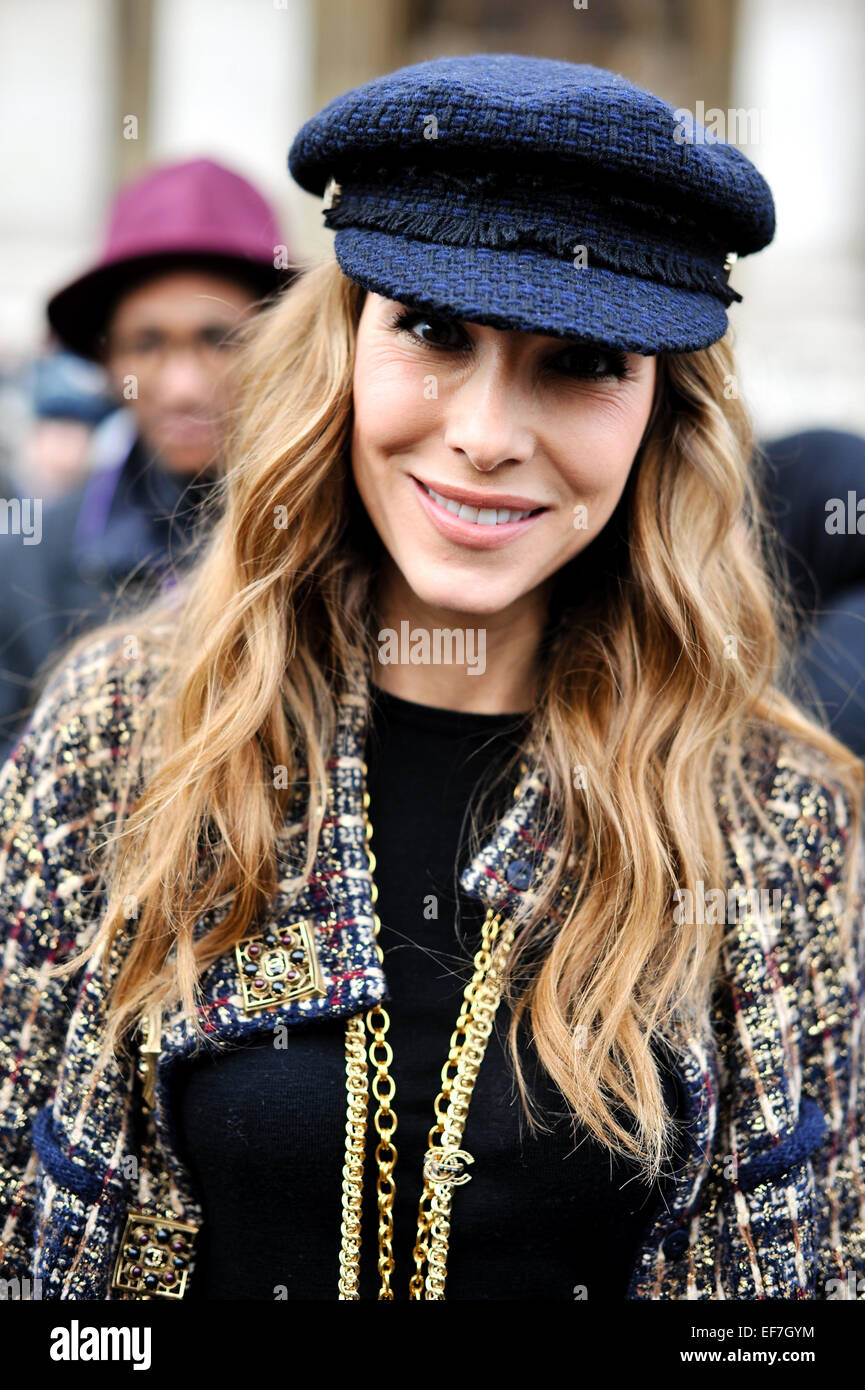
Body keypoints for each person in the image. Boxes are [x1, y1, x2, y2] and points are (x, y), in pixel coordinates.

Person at [0, 54, 862, 1304]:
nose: (484, 432)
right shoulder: (119, 738)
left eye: (580, 361)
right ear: (342, 349)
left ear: (663, 411)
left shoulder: (765, 812)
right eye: (433, 331)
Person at [0, 157, 291, 762]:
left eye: (219, 340)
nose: (183, 386)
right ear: (109, 362)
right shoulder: (29, 566)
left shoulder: (342, 543)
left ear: (284, 343)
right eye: (147, 343)